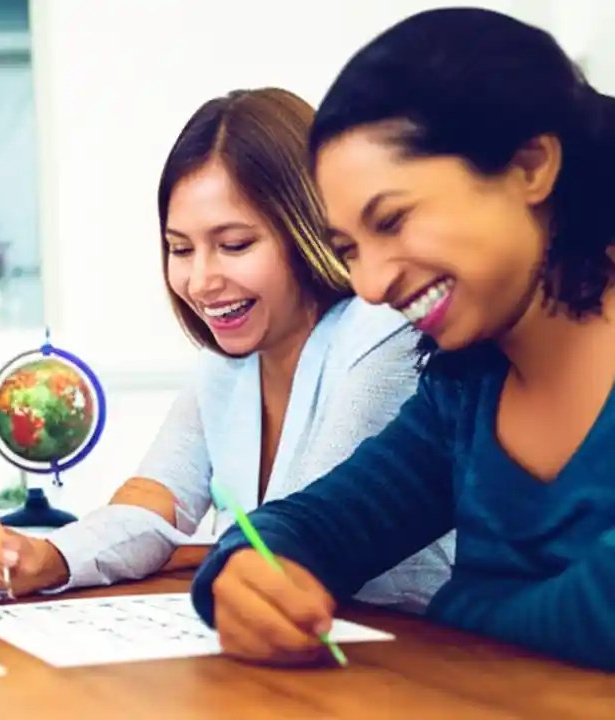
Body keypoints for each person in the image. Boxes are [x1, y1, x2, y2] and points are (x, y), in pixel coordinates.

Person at [192, 8, 615, 672]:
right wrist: (246, 571)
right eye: (348, 249)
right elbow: (322, 522)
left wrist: (457, 610)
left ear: (530, 166)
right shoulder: (465, 390)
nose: (370, 284)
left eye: (392, 220)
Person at [0, 88, 453, 611]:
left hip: (409, 645)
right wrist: (43, 556)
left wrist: (167, 550)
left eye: (234, 245)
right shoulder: (226, 364)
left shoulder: (381, 331)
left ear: (311, 229)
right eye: (180, 248)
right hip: (286, 643)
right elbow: (152, 501)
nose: (201, 280)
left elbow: (305, 532)